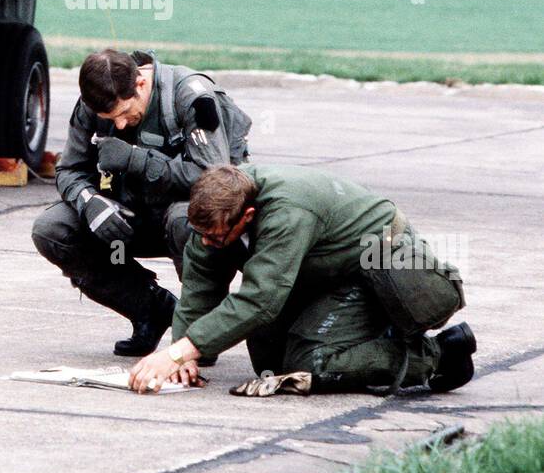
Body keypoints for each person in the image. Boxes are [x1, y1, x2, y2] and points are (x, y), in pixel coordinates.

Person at [129, 163, 474, 395]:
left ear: (247, 216)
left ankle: (438, 355)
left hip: (372, 268)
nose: (207, 243)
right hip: (321, 268)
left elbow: (260, 300)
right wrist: (184, 354)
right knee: (270, 363)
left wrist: (172, 355)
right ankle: (364, 337)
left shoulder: (286, 214)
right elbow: (200, 282)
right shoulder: (218, 207)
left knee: (310, 363)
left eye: (217, 237)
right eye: (200, 234)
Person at [32, 48, 252, 356]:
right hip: (127, 215)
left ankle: (199, 332)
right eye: (111, 119)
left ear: (140, 84)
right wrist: (90, 202)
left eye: (125, 113)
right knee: (51, 229)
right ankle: (150, 308)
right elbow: (68, 169)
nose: (120, 125)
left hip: (185, 217)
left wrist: (137, 160)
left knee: (183, 222)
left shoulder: (189, 96)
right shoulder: (92, 104)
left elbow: (212, 174)